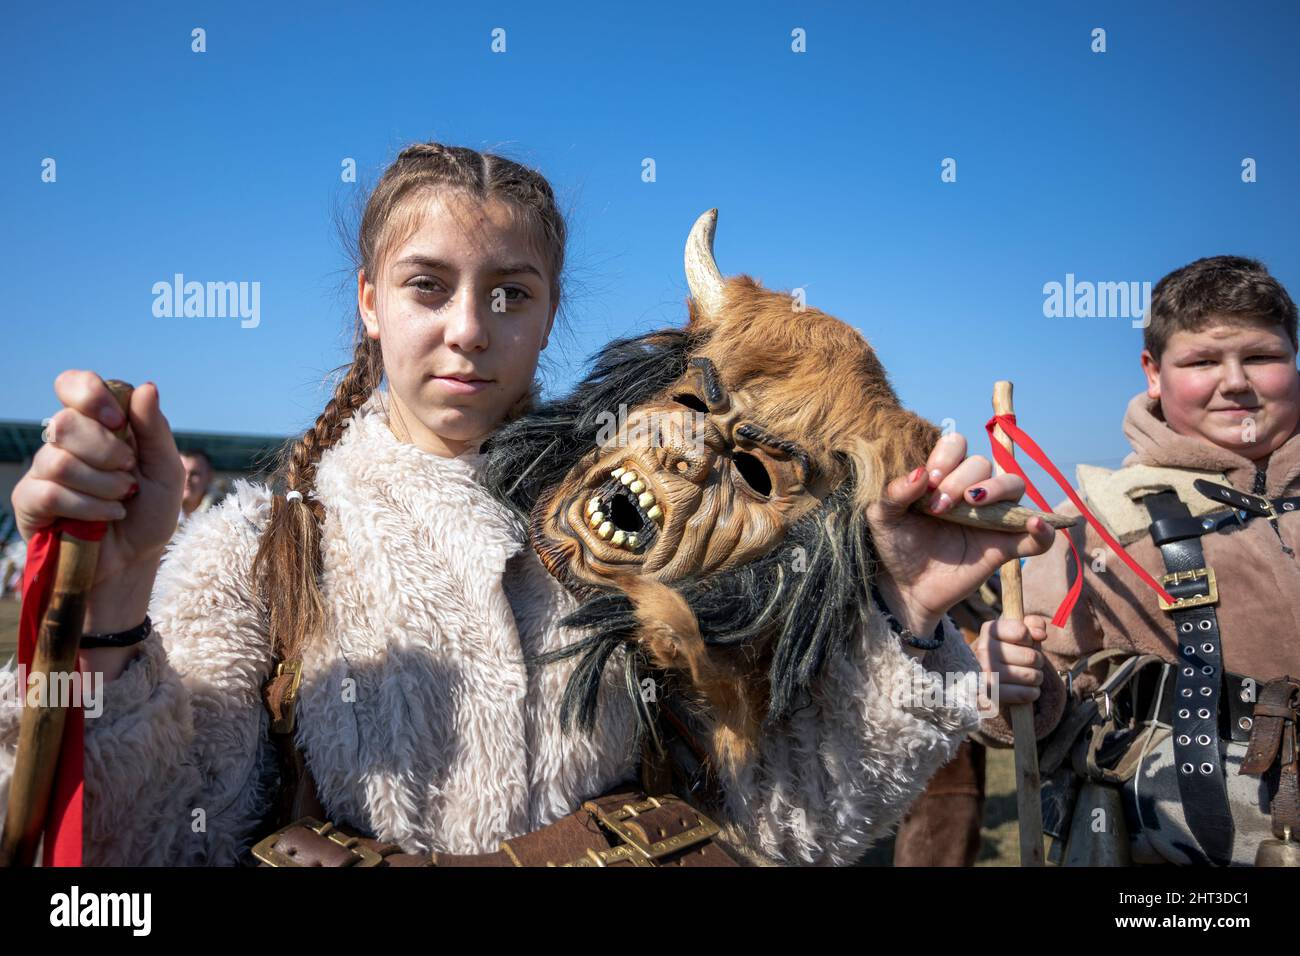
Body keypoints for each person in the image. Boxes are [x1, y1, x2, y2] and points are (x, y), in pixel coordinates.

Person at [2, 142, 1054, 866]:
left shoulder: (667, 542)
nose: (469, 327)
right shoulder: (264, 546)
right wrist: (120, 580)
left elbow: (783, 828)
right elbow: (144, 847)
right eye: (427, 285)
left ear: (551, 313)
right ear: (369, 302)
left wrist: (905, 613)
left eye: (511, 291)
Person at [975, 256, 1300, 866]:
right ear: (1153, 373)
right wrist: (1005, 679)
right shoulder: (1096, 518)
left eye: (1261, 357)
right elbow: (1036, 704)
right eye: (1202, 361)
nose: (1235, 382)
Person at [177, 449, 214, 527]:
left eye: (194, 473)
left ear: (209, 477)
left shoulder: (225, 514)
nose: (187, 479)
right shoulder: (157, 513)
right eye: (181, 473)